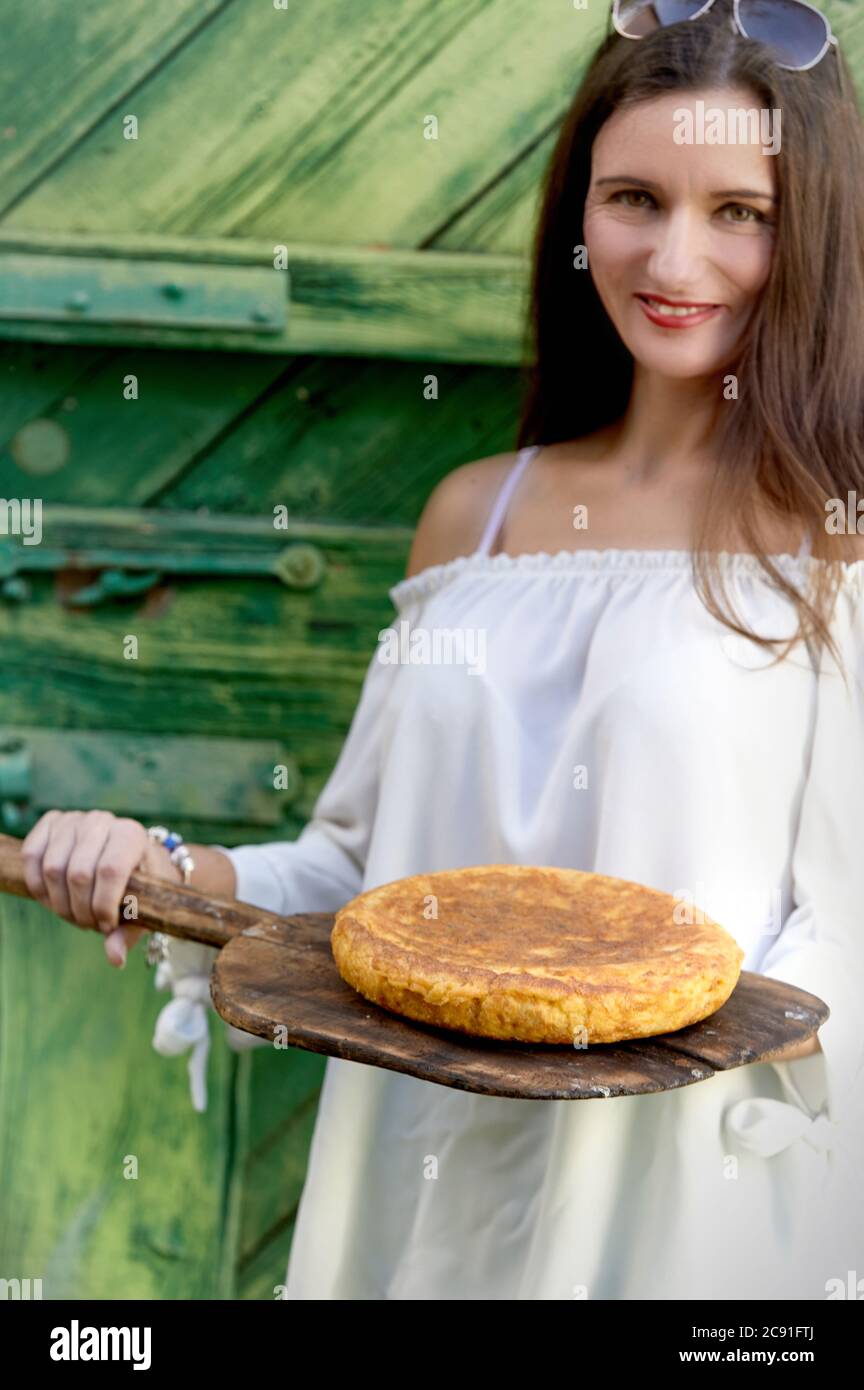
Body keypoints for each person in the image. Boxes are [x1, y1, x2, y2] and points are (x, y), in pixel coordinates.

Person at [22, 2, 864, 1298]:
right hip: (421, 1187)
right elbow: (362, 872)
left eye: (739, 212)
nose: (676, 256)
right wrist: (157, 862)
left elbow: (844, 945)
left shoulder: (836, 546)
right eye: (634, 196)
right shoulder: (478, 513)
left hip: (681, 1210)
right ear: (579, 212)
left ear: (808, 231)